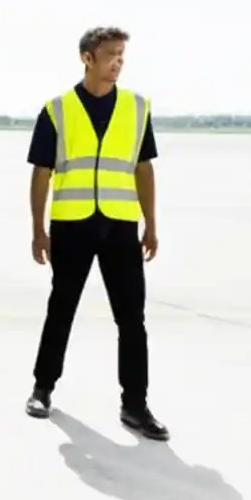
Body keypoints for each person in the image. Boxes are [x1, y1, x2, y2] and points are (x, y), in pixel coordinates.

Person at [24, 26, 168, 441]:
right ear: (87, 57)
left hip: (121, 227)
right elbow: (41, 173)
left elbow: (144, 168)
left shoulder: (138, 107)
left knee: (132, 318)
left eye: (122, 55)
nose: (118, 62)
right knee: (62, 308)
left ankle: (135, 405)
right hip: (71, 224)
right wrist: (38, 229)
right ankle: (42, 388)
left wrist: (151, 223)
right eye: (110, 55)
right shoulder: (58, 109)